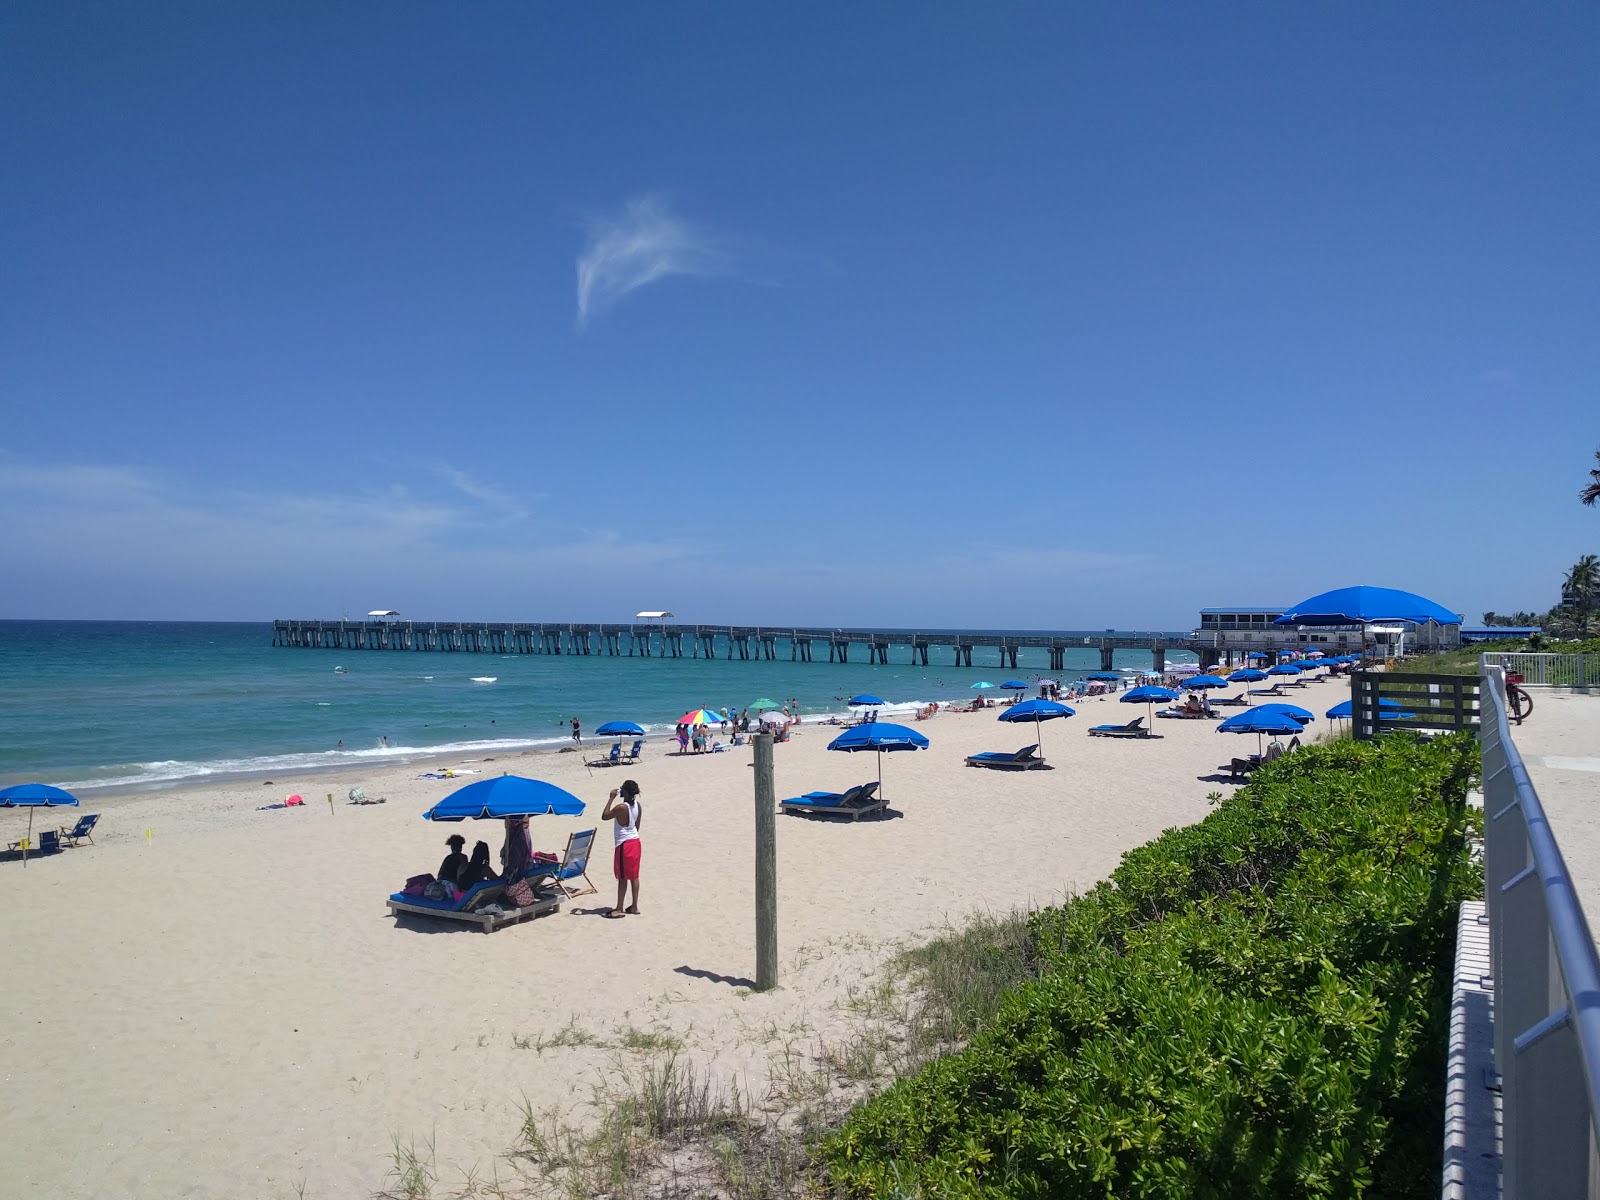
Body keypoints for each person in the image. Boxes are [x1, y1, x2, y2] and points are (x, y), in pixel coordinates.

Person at [602, 779, 642, 918]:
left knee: (623, 877)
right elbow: (637, 825)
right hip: (635, 842)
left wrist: (611, 798)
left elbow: (605, 816)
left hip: (624, 844)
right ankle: (634, 906)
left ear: (625, 792)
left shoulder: (621, 807)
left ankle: (619, 908)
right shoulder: (637, 805)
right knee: (634, 876)